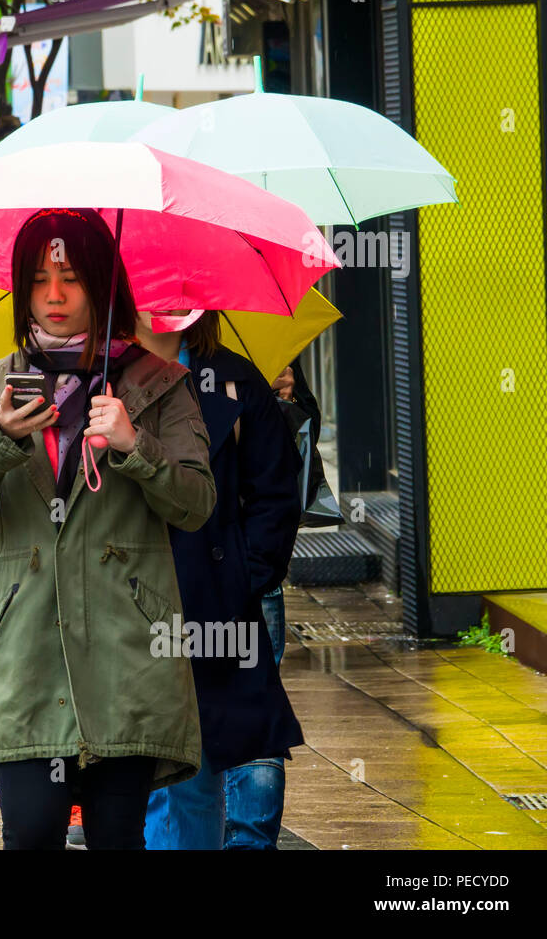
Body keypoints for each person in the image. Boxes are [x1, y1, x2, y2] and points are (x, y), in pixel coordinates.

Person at [0, 207, 216, 850]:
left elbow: (197, 504)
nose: (53, 296)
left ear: (103, 283)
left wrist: (134, 443)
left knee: (118, 838)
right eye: (37, 280)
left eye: (70, 278)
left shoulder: (158, 384)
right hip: (27, 655)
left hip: (128, 655)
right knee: (30, 833)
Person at [135, 310, 305, 850]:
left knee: (250, 746)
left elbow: (276, 490)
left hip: (223, 600)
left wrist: (239, 572)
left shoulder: (233, 377)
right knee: (173, 769)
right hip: (137, 606)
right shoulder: (98, 384)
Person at [222, 356, 320, 849]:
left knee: (253, 712)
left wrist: (250, 574)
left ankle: (247, 839)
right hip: (208, 574)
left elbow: (283, 485)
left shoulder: (246, 369)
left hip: (241, 577)